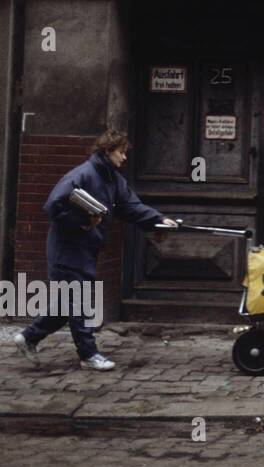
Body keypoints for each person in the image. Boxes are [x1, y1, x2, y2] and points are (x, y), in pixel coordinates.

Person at [12, 128, 178, 370]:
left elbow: (131, 207)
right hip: (66, 250)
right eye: (120, 152)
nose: (124, 157)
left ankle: (29, 337)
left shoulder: (113, 179)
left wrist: (159, 220)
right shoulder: (82, 175)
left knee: (66, 306)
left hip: (85, 248)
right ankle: (88, 355)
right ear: (107, 151)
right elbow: (53, 206)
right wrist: (82, 222)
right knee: (77, 302)